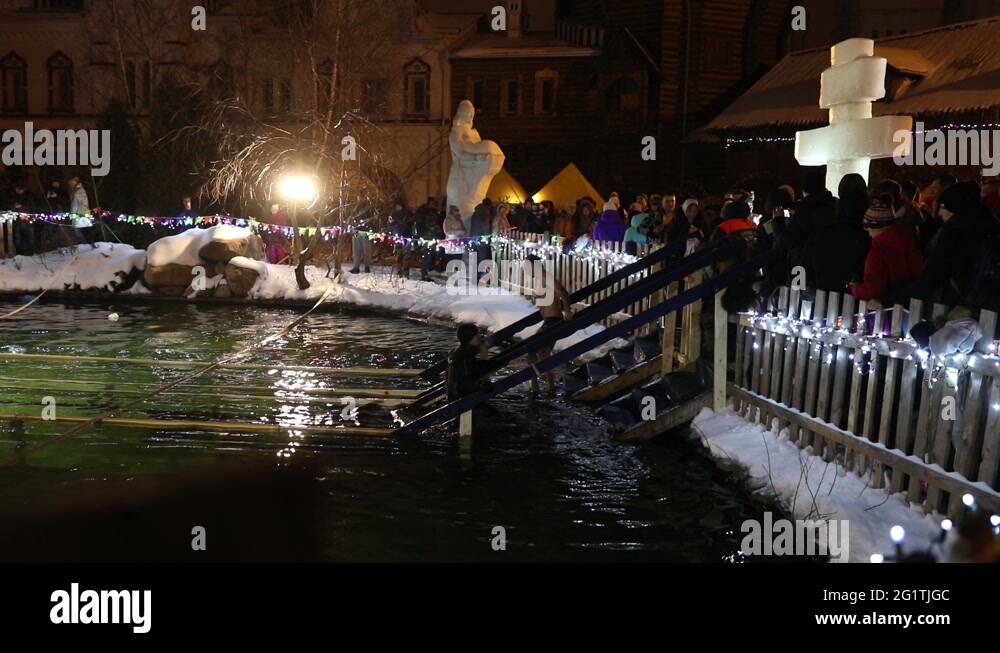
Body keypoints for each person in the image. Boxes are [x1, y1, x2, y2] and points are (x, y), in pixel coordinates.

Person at [910, 181, 998, 308]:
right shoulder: (991, 223)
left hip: (958, 304)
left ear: (954, 207)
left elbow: (934, 274)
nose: (940, 213)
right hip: (987, 303)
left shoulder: (955, 230)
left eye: (943, 207)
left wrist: (900, 299)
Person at [799, 173, 870, 292]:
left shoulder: (819, 234)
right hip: (855, 297)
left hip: (821, 295)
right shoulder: (869, 238)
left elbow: (803, 269)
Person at [850, 197, 925, 306]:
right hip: (912, 305)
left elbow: (872, 290)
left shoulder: (878, 252)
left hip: (887, 308)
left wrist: (855, 288)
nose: (868, 232)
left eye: (869, 228)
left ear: (874, 227)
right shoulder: (909, 241)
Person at [526, 254, 573, 397]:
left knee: (536, 350)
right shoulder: (541, 280)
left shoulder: (547, 278)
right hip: (548, 321)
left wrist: (567, 311)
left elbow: (563, 293)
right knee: (541, 353)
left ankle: (539, 387)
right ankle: (546, 387)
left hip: (554, 321)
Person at [446, 323, 493, 403]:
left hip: (454, 393)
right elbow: (464, 383)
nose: (479, 337)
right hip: (460, 398)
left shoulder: (459, 350)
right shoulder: (463, 355)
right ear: (471, 338)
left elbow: (471, 370)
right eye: (477, 335)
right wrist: (482, 384)